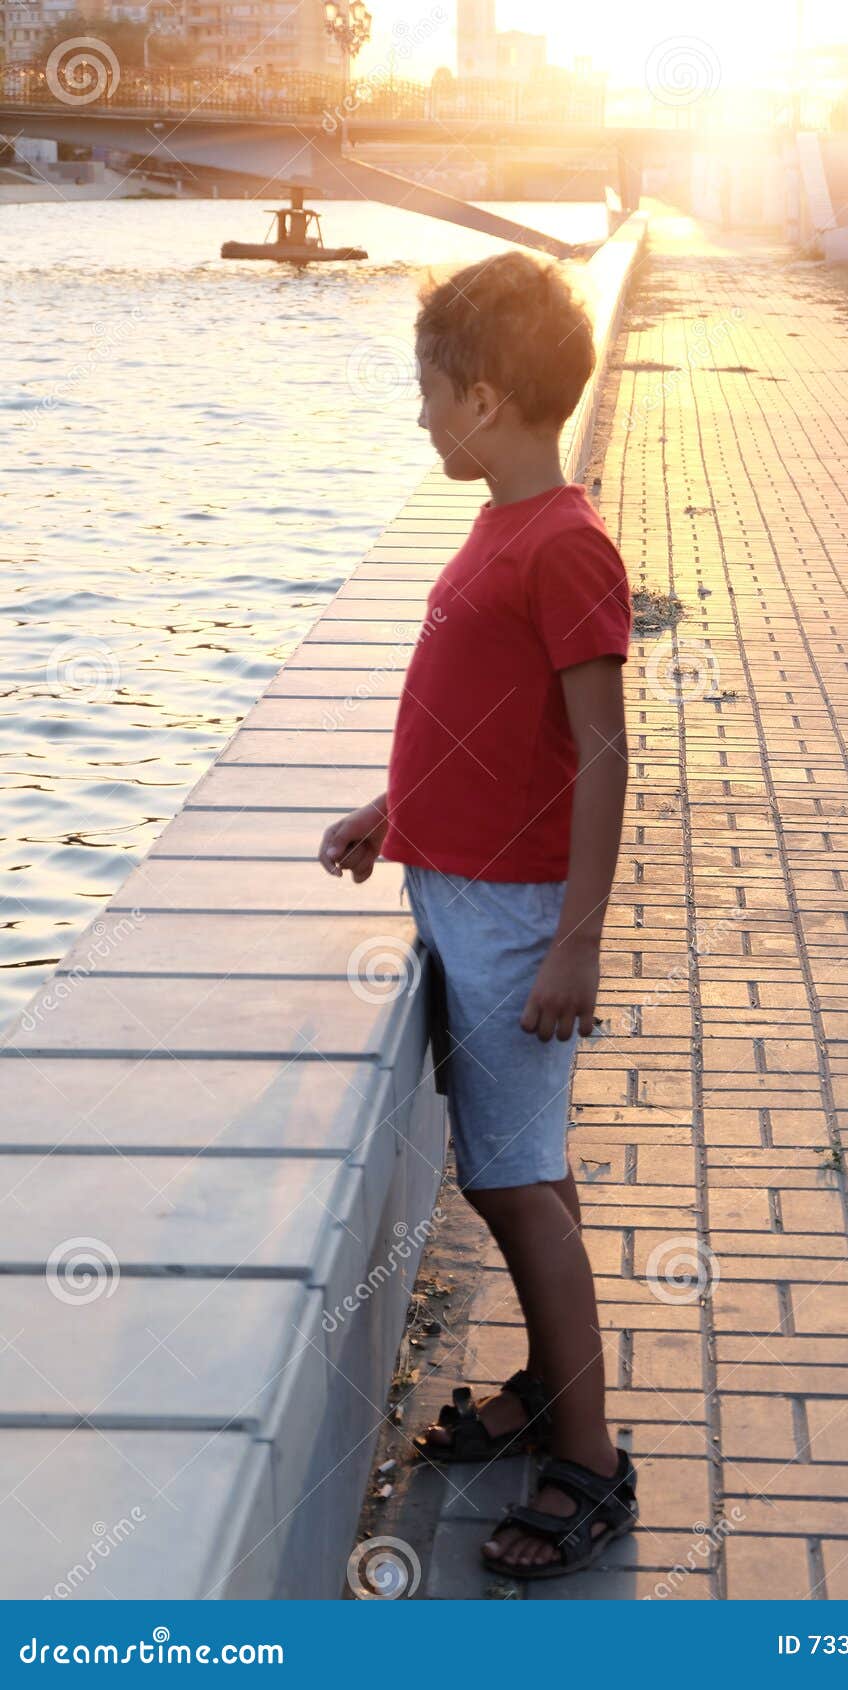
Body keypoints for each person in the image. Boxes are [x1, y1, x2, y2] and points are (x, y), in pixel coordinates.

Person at [319, 251, 636, 1580]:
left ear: (488, 400)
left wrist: (576, 939)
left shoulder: (562, 543)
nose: (422, 415)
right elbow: (481, 720)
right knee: (527, 1166)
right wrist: (393, 811)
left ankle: (591, 1459)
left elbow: (602, 751)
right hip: (464, 891)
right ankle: (557, 1390)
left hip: (515, 919)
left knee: (508, 1181)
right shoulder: (502, 525)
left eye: (431, 392)